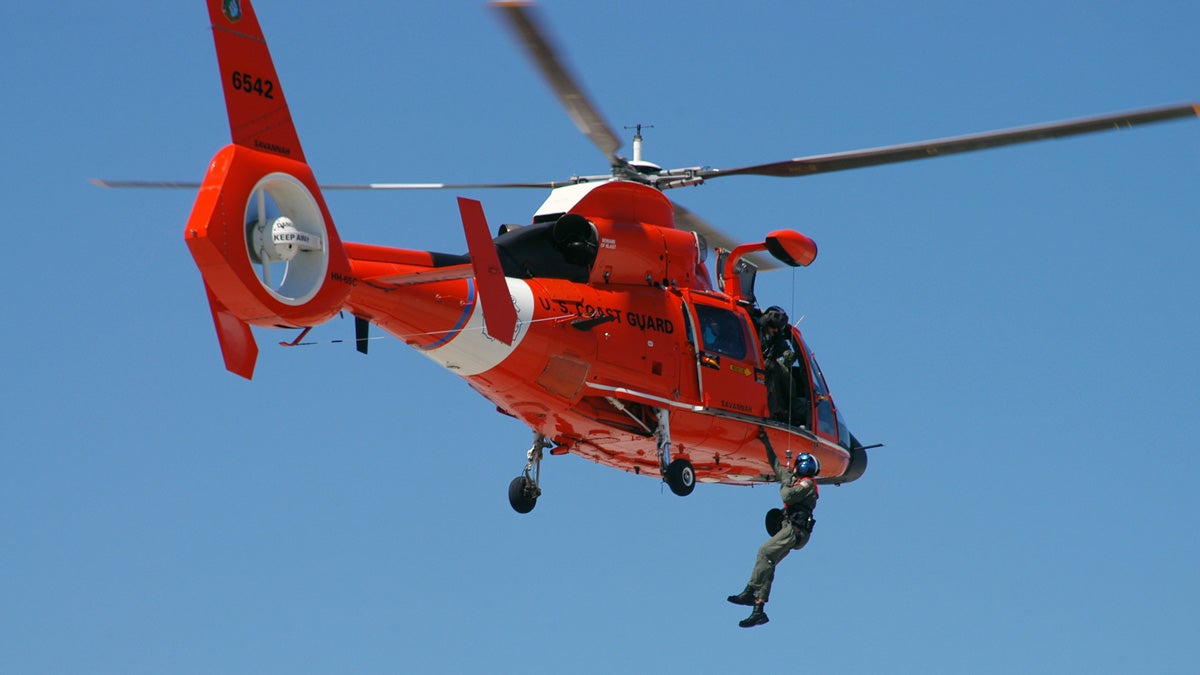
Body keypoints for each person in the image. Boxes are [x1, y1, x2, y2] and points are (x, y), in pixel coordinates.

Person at [727, 431, 820, 628]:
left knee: (764, 552)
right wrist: (766, 443)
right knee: (769, 563)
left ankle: (750, 591)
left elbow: (787, 496)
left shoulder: (807, 484)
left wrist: (786, 482)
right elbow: (777, 466)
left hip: (795, 531)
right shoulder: (794, 480)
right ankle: (758, 610)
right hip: (789, 529)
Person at [757, 306, 792, 420]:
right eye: (773, 327)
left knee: (779, 371)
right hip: (751, 369)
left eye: (778, 328)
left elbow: (784, 349)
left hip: (765, 373)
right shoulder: (754, 330)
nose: (775, 330)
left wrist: (788, 355)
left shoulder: (777, 339)